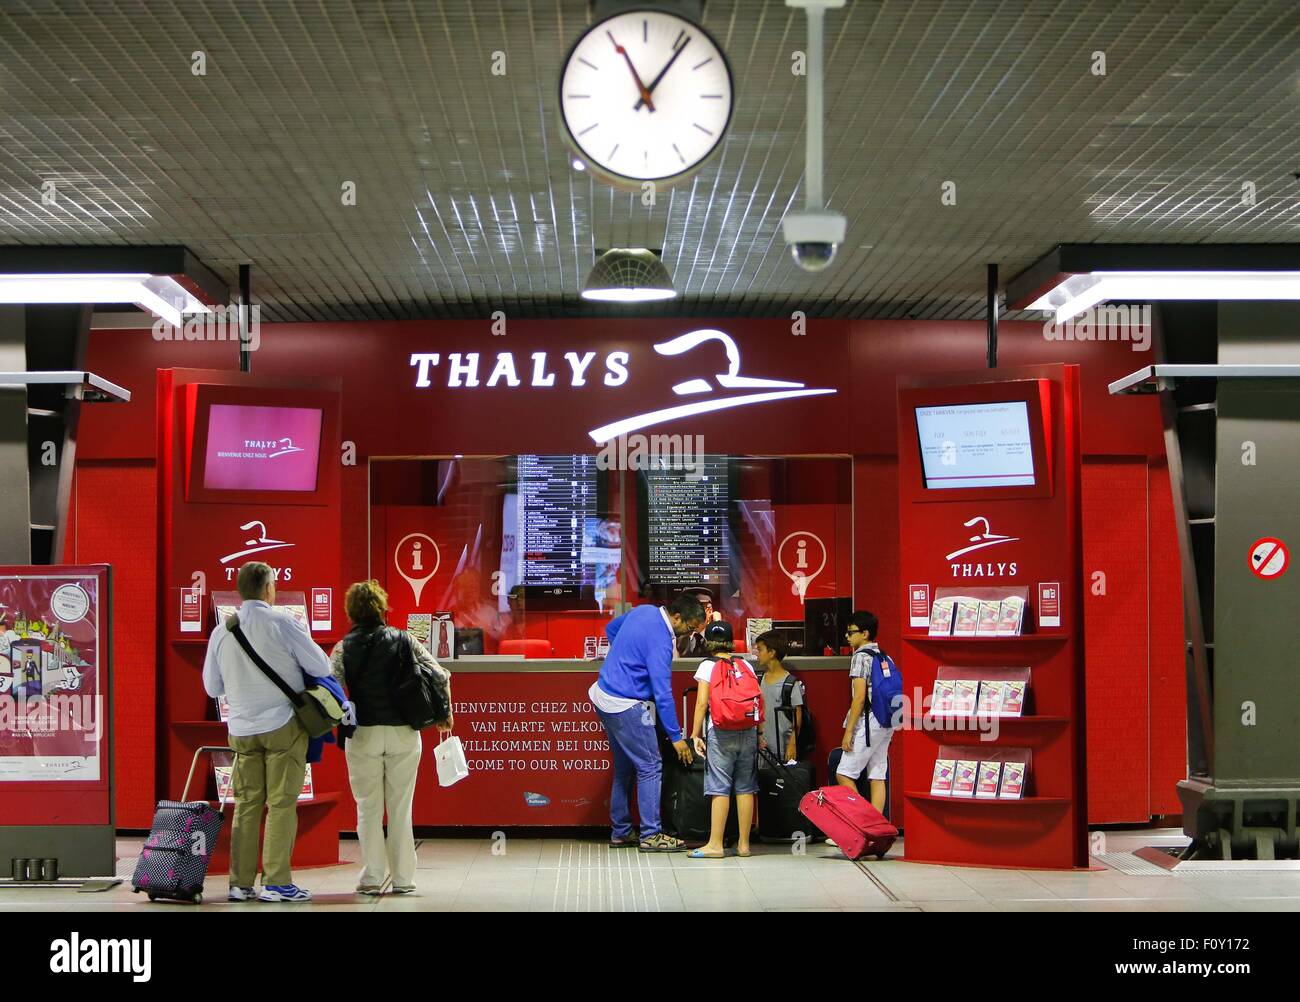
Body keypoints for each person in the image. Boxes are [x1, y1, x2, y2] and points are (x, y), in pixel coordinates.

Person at [202, 561, 332, 902]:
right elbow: (321, 666)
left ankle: (239, 883)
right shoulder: (282, 623)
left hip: (241, 729)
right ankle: (276, 882)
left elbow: (212, 686)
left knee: (246, 803)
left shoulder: (221, 631)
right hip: (282, 726)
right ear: (268, 588)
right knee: (281, 804)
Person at [330, 580, 452, 896]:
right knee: (400, 807)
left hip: (363, 734)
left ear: (351, 612)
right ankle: (403, 879)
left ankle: (371, 877)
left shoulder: (344, 648)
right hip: (403, 733)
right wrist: (445, 714)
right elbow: (440, 675)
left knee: (367, 807)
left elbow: (331, 686)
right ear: (382, 609)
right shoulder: (404, 640)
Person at [591, 592, 704, 852]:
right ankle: (651, 835)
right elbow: (663, 693)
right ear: (677, 617)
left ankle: (621, 831)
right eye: (688, 628)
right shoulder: (663, 643)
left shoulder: (645, 611)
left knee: (625, 768)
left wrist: (626, 660)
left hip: (603, 694)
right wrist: (676, 738)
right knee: (651, 766)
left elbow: (612, 629)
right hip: (626, 704)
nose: (688, 634)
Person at [687, 621, 761, 859]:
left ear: (708, 641)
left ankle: (716, 844)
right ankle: (744, 845)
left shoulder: (707, 666)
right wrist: (759, 734)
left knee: (720, 786)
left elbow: (701, 703)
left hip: (720, 732)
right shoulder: (745, 664)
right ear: (730, 641)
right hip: (748, 730)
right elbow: (757, 701)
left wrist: (695, 734)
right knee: (745, 787)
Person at [835, 611, 892, 821]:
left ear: (865, 633)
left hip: (868, 723)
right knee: (877, 776)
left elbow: (859, 698)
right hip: (887, 720)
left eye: (851, 632)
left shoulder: (860, 657)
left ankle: (861, 824)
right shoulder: (885, 656)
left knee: (844, 773)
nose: (847, 637)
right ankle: (876, 828)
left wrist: (848, 732)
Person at [755, 630, 804, 764]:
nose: (756, 654)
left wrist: (792, 744)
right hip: (761, 748)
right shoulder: (758, 680)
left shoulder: (790, 683)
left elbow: (797, 717)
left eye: (760, 650)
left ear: (772, 652)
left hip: (783, 749)